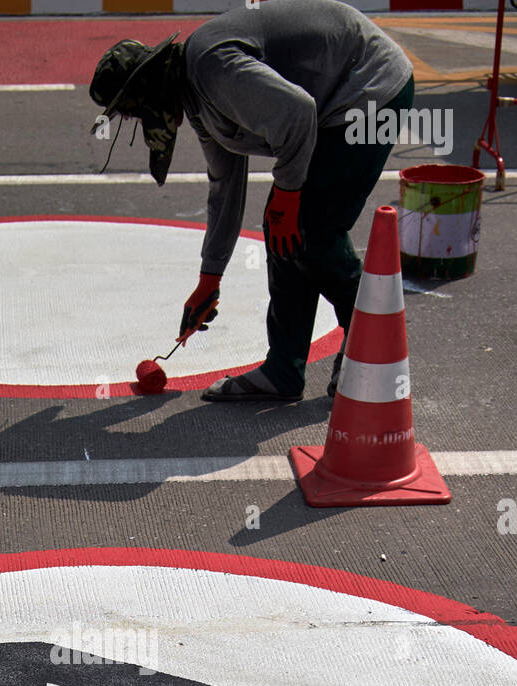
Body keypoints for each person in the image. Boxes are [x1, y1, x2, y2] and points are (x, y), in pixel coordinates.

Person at [89, 0, 414, 402]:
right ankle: (284, 369)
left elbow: (298, 113)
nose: (142, 122)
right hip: (334, 104)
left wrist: (289, 195)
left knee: (311, 226)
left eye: (138, 114)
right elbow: (224, 189)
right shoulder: (198, 100)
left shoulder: (211, 67)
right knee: (284, 227)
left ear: (152, 92)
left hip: (369, 87)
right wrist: (210, 278)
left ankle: (370, 345)